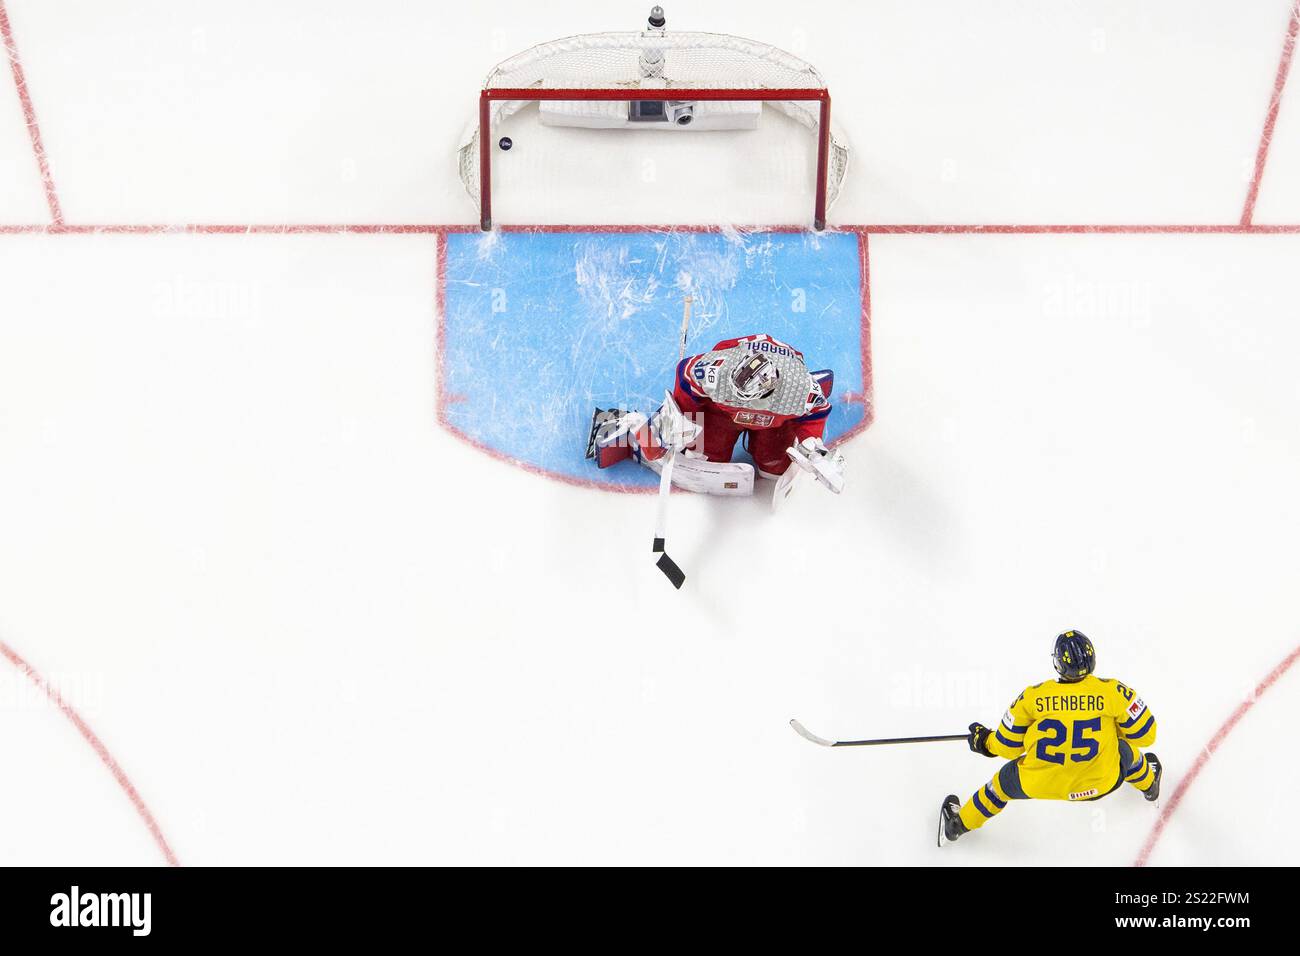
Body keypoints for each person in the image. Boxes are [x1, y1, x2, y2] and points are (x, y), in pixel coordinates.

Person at [939, 630, 1161, 845]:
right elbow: (1146, 736)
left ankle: (957, 826)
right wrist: (1115, 729)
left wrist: (985, 741)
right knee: (1128, 753)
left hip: (1039, 783)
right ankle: (1151, 787)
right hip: (1101, 782)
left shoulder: (1032, 697)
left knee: (999, 786)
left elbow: (1007, 747)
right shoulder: (1114, 692)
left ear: (1058, 663)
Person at [590, 333, 845, 497]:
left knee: (773, 467)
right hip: (722, 415)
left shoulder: (799, 391)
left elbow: (816, 414)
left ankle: (771, 437)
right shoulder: (716, 373)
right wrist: (677, 420)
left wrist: (814, 446)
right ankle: (635, 428)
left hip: (774, 420)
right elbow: (685, 377)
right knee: (708, 461)